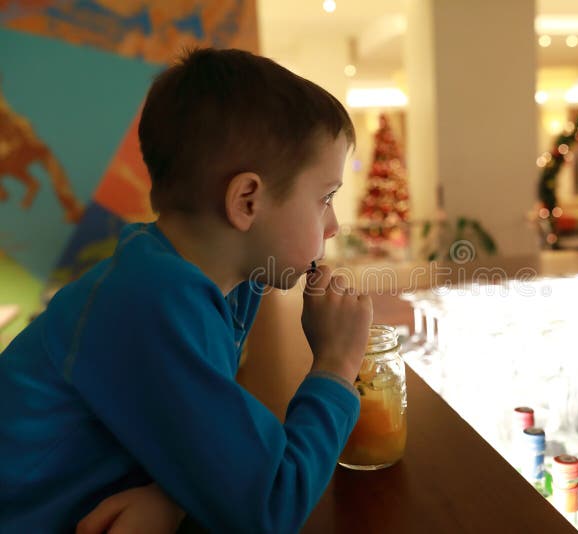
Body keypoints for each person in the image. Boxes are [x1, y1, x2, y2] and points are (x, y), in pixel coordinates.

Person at [0, 48, 373, 532]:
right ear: (247, 200)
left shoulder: (213, 281)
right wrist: (337, 363)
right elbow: (269, 508)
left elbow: (194, 432)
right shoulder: (150, 303)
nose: (333, 225)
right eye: (325, 197)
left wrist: (173, 497)